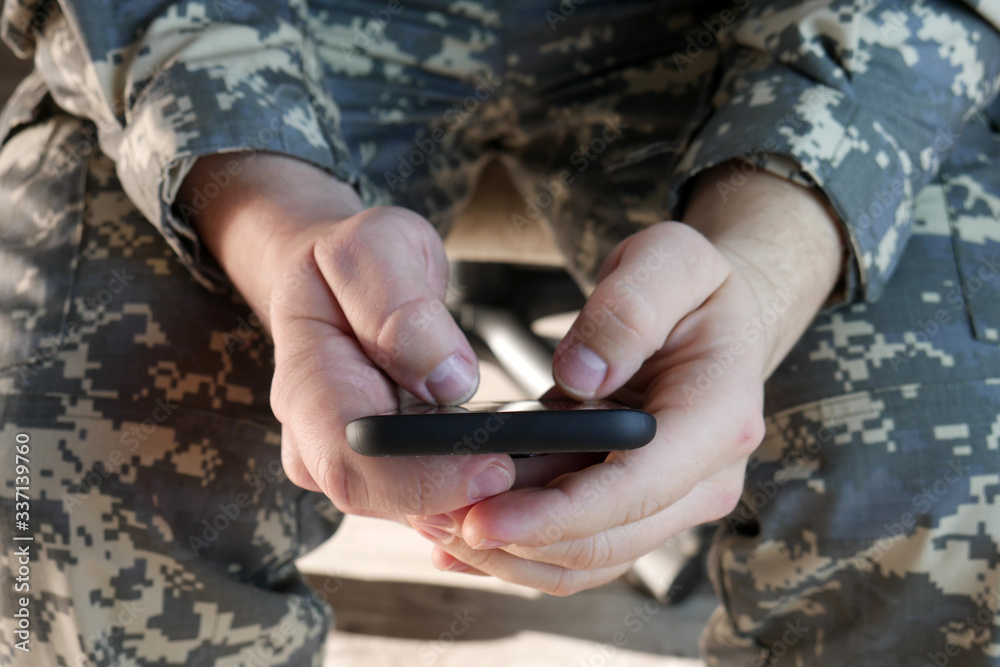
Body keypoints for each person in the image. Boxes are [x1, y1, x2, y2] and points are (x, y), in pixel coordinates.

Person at [1, 0, 998, 664]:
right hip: (259, 31)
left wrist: (763, 274)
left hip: (743, 39)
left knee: (951, 467)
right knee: (49, 466)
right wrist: (274, 227)